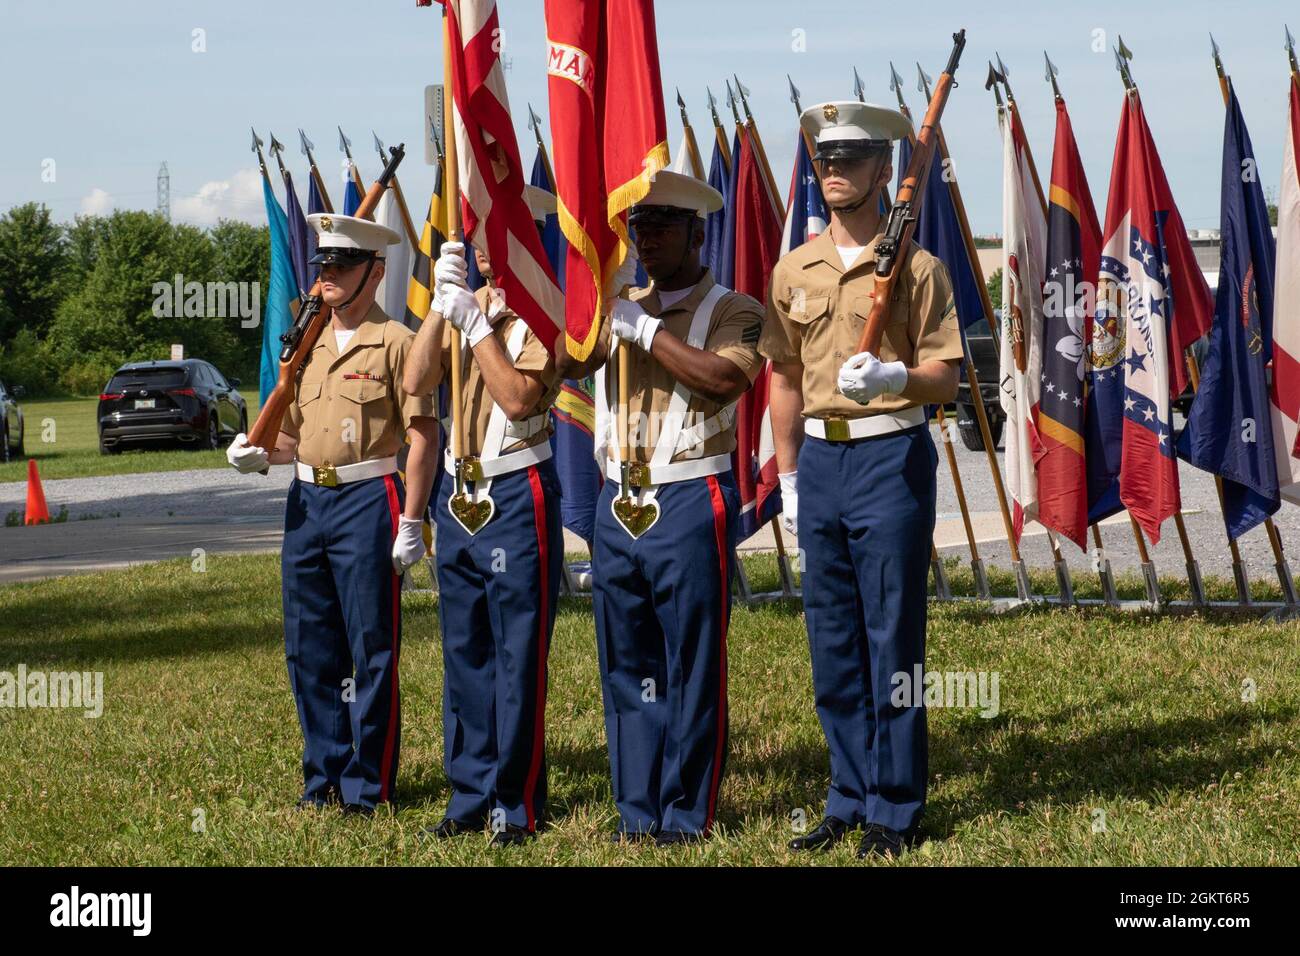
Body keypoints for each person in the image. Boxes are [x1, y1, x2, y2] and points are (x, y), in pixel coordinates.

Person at [761, 101, 963, 857]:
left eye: (851, 159)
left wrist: (895, 378)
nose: (835, 171)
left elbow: (946, 376)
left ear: (886, 170)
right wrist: (786, 477)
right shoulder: (794, 268)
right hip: (820, 463)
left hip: (888, 460)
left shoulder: (916, 265)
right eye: (825, 159)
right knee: (833, 638)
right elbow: (783, 379)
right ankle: (846, 792)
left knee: (892, 636)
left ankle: (897, 804)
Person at [557, 169, 764, 845]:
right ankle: (636, 809)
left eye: (662, 227)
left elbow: (721, 380)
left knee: (691, 661)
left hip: (688, 493)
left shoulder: (734, 309)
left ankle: (685, 813)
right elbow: (562, 364)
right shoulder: (622, 303)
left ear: (698, 233)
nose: (646, 239)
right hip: (620, 497)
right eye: (637, 227)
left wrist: (643, 332)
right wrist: (582, 305)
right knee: (626, 662)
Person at [226, 213, 439, 814]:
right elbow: (292, 437)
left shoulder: (397, 341)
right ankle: (322, 779)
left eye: (343, 266)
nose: (329, 276)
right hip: (306, 503)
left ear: (376, 272)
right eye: (324, 265)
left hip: (368, 500)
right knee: (310, 646)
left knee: (370, 648)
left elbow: (423, 434)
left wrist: (412, 519)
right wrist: (258, 454)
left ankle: (368, 785)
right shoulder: (308, 345)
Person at [402, 186, 563, 846]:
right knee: (464, 650)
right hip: (458, 492)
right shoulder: (465, 304)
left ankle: (516, 802)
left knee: (517, 654)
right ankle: (469, 791)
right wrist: (443, 310)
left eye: (503, 233)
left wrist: (476, 326)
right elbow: (414, 383)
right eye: (482, 236)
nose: (488, 249)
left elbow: (520, 397)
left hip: (517, 489)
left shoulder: (549, 313)